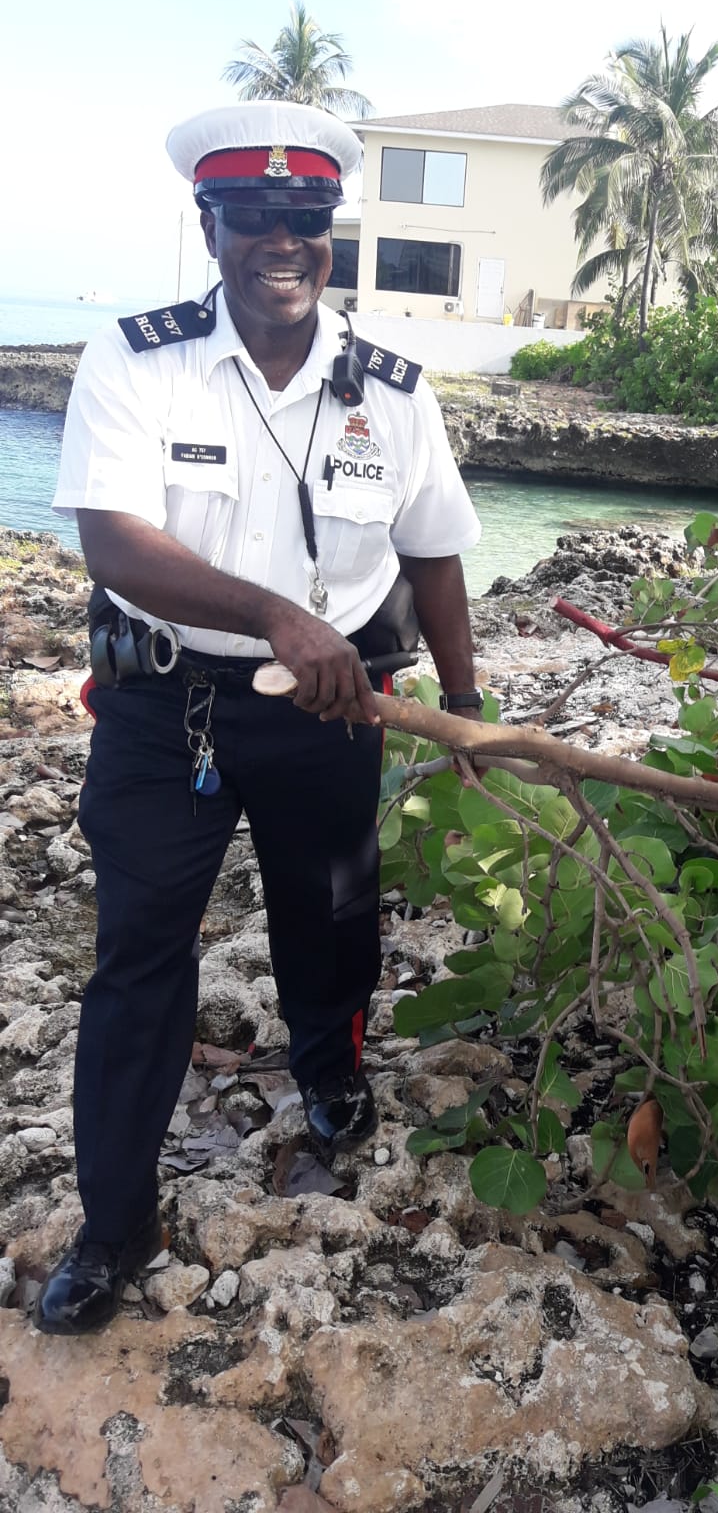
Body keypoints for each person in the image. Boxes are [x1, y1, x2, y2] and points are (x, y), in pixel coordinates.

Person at [36, 103, 484, 1335]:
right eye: (255, 219)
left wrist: (468, 705)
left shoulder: (391, 389)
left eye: (306, 220)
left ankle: (331, 1075)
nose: (282, 241)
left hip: (334, 702)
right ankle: (114, 1223)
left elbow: (435, 554)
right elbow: (114, 540)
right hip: (163, 704)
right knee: (136, 956)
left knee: (333, 913)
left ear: (328, 232)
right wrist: (277, 614)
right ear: (210, 226)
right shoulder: (135, 357)